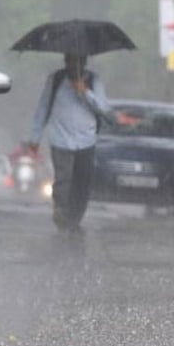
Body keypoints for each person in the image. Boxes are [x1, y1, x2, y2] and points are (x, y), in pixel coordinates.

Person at [24, 53, 112, 232]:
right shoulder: (56, 80)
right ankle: (61, 213)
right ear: (65, 61)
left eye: (78, 61)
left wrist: (85, 92)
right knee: (63, 181)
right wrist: (35, 138)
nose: (73, 65)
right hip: (60, 140)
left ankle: (74, 219)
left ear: (84, 62)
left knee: (82, 183)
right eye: (70, 61)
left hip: (86, 141)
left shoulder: (93, 80)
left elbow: (104, 109)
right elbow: (43, 107)